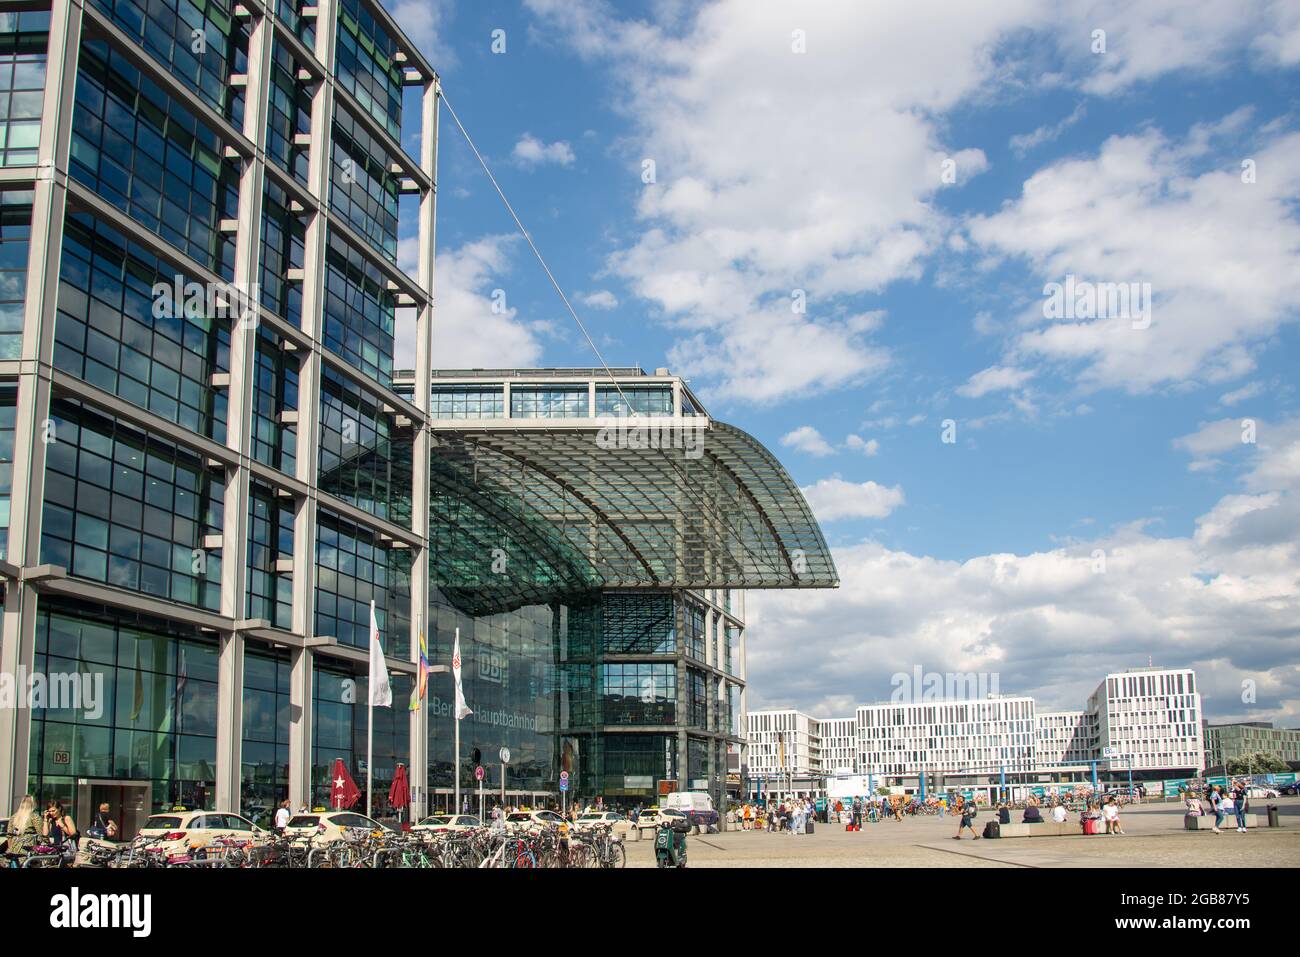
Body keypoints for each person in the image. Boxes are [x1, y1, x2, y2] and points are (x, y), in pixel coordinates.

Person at [3, 795, 39, 862]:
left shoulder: (14, 817)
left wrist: (11, 849)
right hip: (28, 851)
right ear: (33, 804)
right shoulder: (35, 817)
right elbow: (41, 835)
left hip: (13, 849)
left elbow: (9, 836)